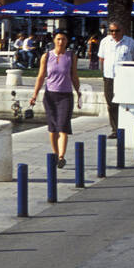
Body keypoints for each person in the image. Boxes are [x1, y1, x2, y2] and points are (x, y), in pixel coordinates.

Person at [29, 29, 81, 167]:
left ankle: (62, 156)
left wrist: (79, 91)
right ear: (54, 40)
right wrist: (34, 95)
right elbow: (40, 77)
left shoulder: (71, 56)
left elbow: (74, 76)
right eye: (58, 39)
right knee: (53, 128)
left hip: (66, 95)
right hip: (50, 96)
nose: (61, 42)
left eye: (63, 39)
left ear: (67, 41)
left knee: (63, 126)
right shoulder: (46, 56)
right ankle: (56, 154)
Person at [98, 20, 134, 136]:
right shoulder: (105, 42)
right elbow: (101, 59)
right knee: (111, 104)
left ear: (122, 31)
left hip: (125, 79)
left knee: (124, 104)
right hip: (109, 77)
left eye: (116, 31)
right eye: (111, 31)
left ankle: (125, 128)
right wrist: (103, 73)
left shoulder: (130, 42)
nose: (114, 33)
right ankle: (115, 129)